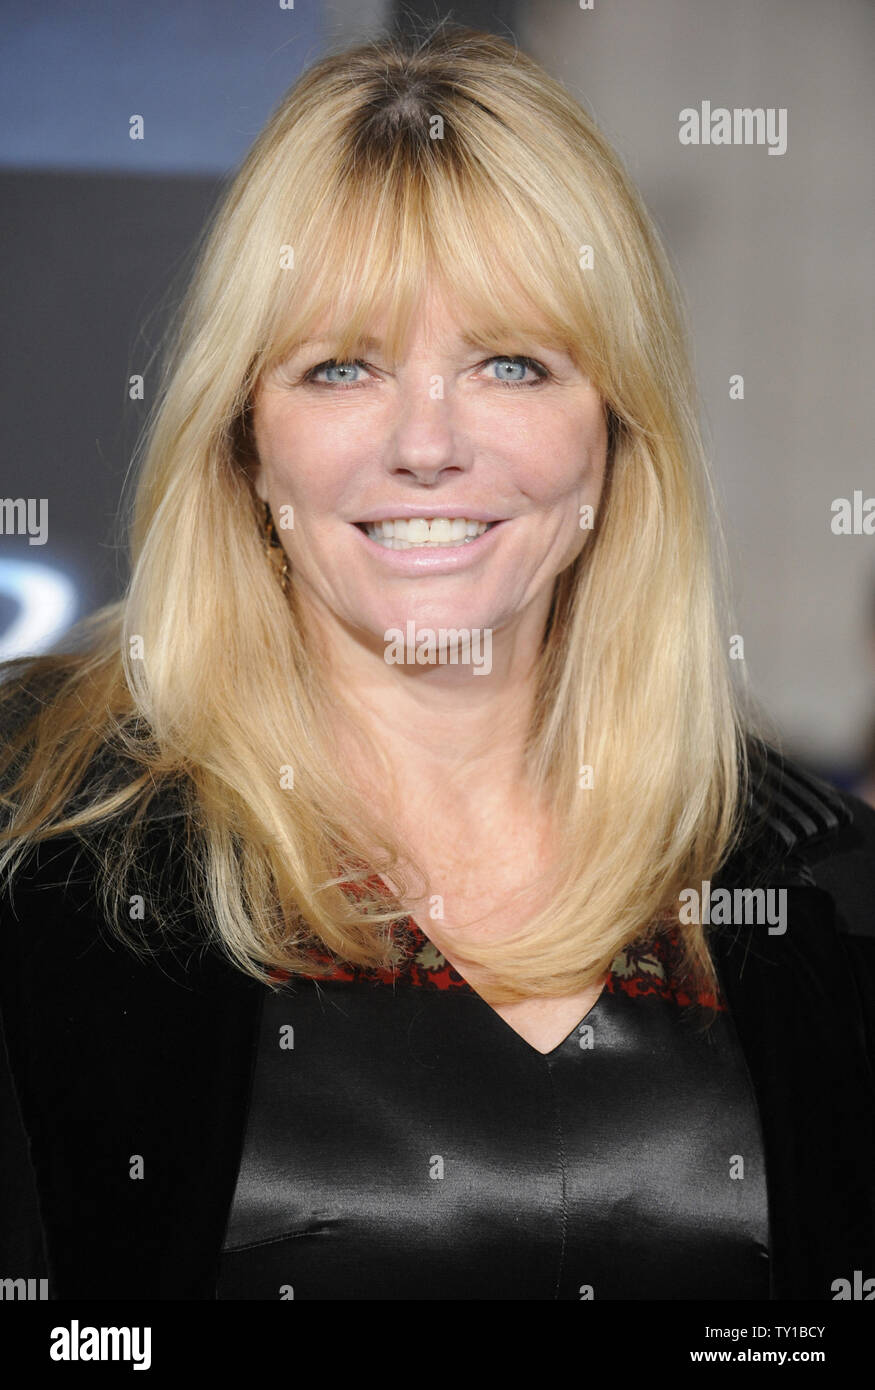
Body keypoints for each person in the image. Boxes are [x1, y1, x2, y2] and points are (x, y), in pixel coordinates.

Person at [1, 24, 873, 1303]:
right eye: (341, 366)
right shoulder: (48, 851)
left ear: (613, 435)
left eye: (509, 363)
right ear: (245, 441)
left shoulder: (817, 890)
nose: (426, 443)